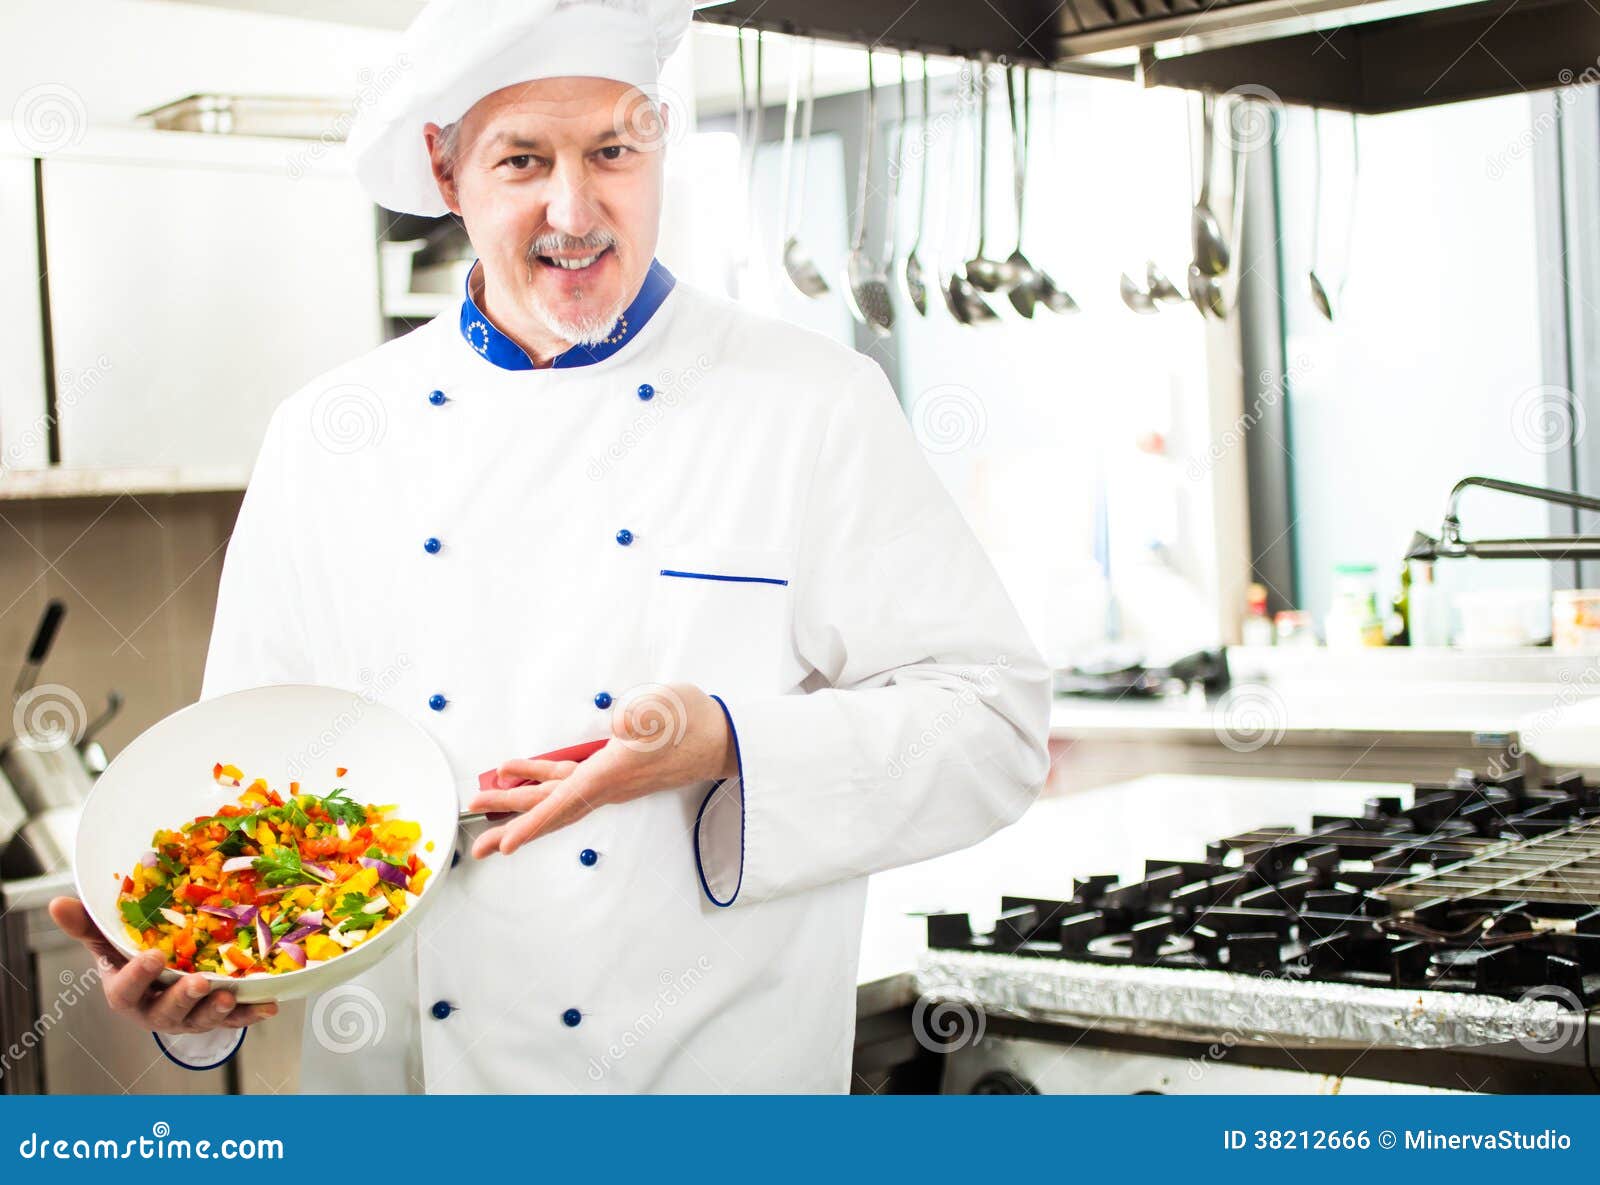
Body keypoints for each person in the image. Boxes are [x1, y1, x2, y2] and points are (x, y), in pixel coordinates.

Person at [51, 0, 1050, 1092]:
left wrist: (727, 745)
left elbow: (992, 725)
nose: (575, 210)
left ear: (660, 142)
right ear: (445, 172)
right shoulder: (330, 436)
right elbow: (242, 808)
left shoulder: (809, 405)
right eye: (522, 160)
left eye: (612, 151)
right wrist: (196, 1001)